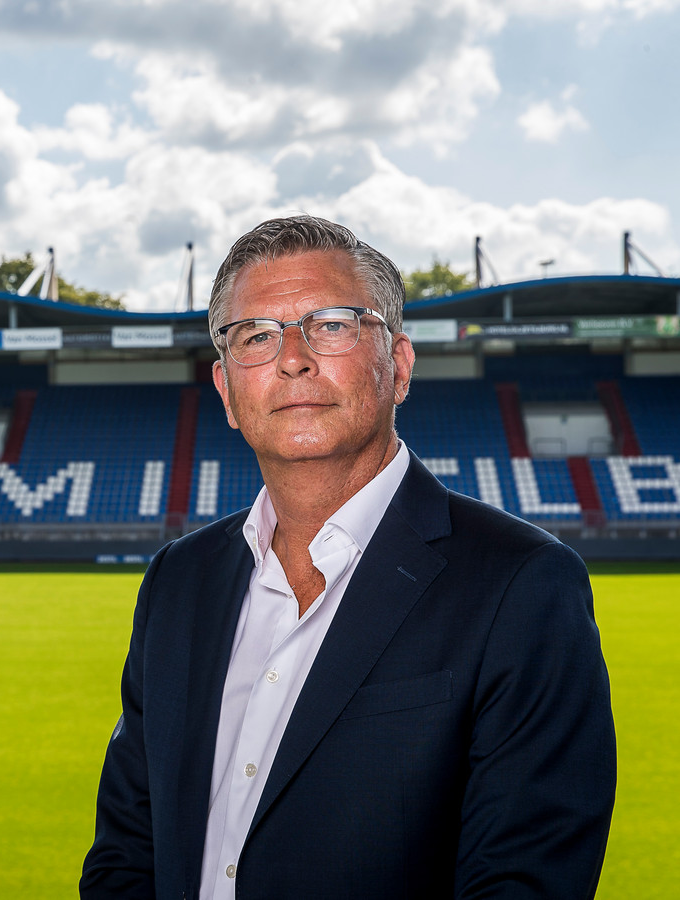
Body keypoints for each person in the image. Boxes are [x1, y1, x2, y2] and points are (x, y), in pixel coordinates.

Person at [80, 215, 615, 899]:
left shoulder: (522, 584)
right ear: (226, 393)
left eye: (331, 325)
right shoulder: (176, 583)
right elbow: (127, 852)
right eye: (257, 336)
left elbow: (524, 882)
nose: (292, 357)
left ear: (399, 366)